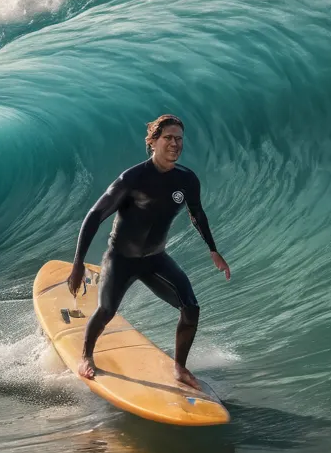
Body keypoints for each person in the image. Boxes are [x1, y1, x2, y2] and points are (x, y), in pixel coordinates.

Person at [67, 114, 230, 390]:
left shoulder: (187, 180)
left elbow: (197, 214)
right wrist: (78, 262)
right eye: (168, 138)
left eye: (179, 139)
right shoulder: (132, 179)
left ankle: (180, 368)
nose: (175, 144)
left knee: (191, 309)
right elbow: (95, 215)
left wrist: (213, 250)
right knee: (106, 311)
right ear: (153, 142)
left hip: (155, 260)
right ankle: (86, 356)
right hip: (121, 259)